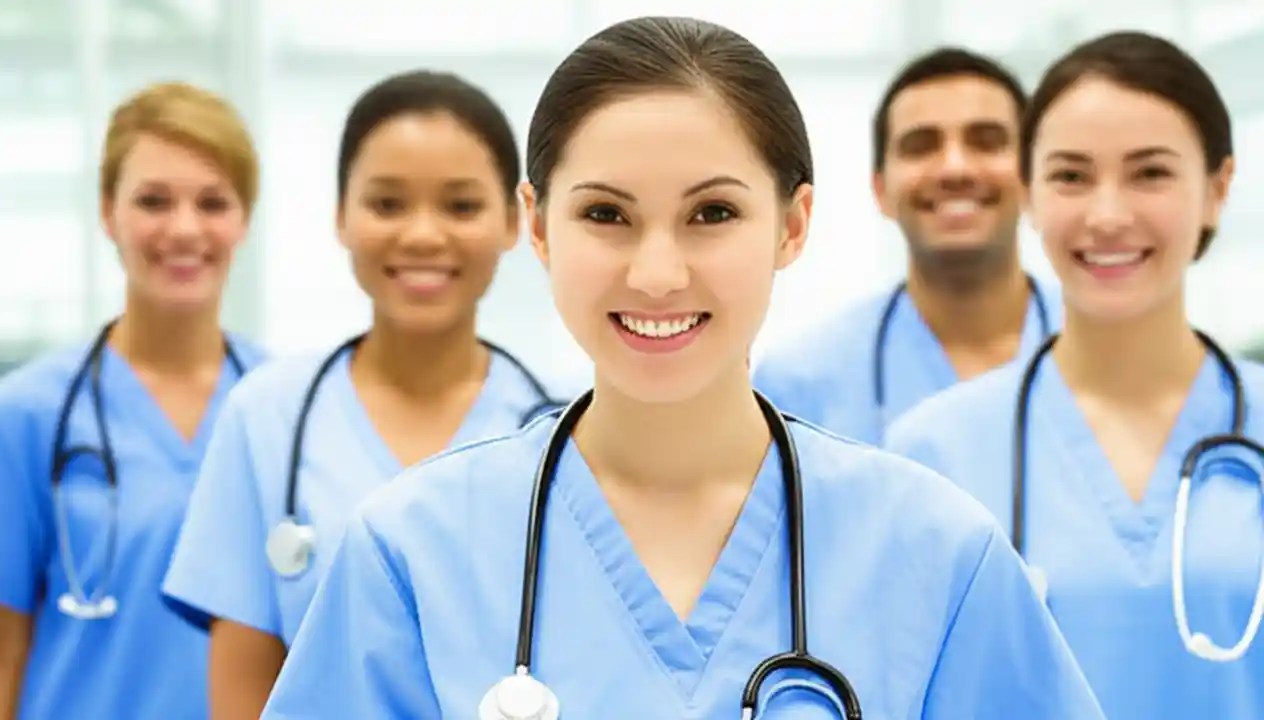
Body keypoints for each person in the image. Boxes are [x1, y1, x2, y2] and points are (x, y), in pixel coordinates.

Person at [259, 17, 1105, 719]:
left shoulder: (935, 550)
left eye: (712, 212)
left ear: (793, 224)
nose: (657, 272)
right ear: (540, 224)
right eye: (605, 214)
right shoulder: (412, 551)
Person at [160, 70, 564, 719]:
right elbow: (242, 695)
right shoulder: (267, 416)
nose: (423, 234)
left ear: (518, 221)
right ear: (341, 216)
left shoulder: (565, 426)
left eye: (461, 206)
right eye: (387, 203)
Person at [885, 31, 1263, 719]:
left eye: (1150, 172)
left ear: (1217, 189)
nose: (1108, 214)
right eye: (1071, 175)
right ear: (1029, 193)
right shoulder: (929, 453)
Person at [0, 81, 265, 719]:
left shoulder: (286, 412)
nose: (184, 228)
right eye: (153, 201)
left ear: (244, 219)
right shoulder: (23, 417)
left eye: (213, 201)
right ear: (108, 212)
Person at [752, 48, 1062, 445]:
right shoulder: (799, 382)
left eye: (986, 141)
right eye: (921, 145)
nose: (955, 168)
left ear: (1032, 176)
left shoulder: (1109, 352)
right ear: (880, 190)